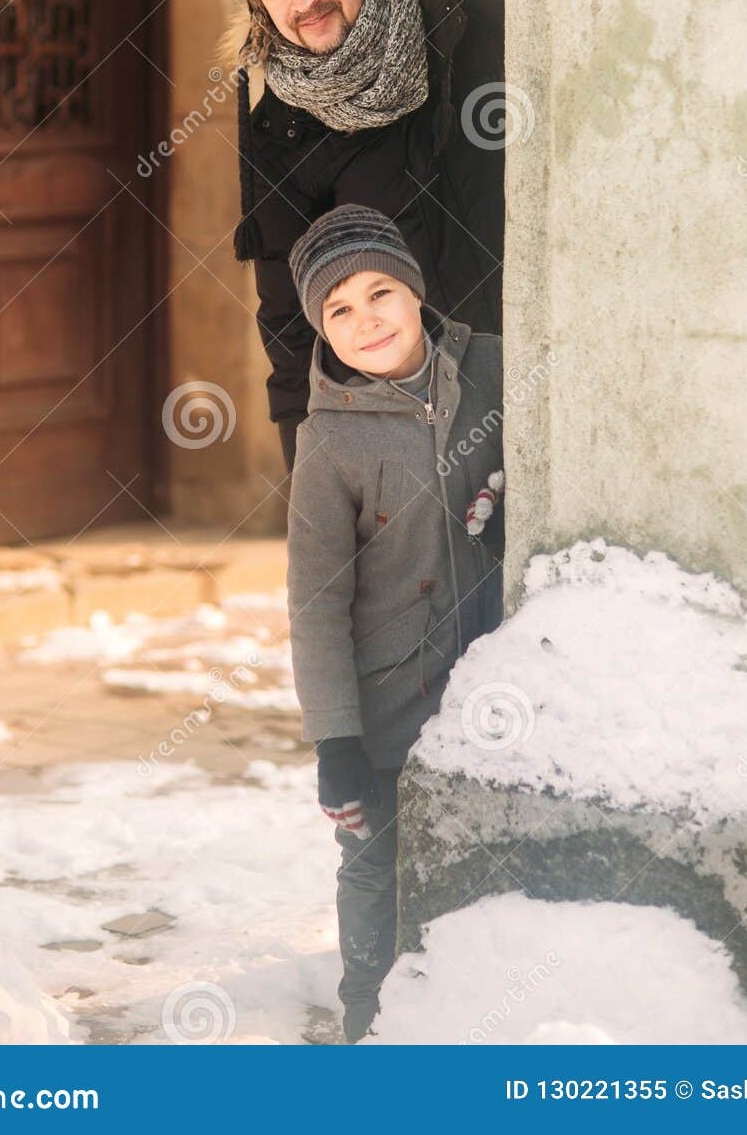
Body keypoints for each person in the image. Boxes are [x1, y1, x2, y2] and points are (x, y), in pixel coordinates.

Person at [284, 203, 505, 1043]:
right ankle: (366, 1030)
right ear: (321, 330)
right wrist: (335, 741)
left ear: (415, 294)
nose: (365, 318)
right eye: (338, 308)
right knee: (377, 863)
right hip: (388, 694)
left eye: (381, 292)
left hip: (496, 669)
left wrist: (517, 520)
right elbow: (315, 604)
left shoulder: (490, 368)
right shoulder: (329, 441)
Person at [217, 0, 504, 473]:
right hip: (413, 426)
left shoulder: (466, 17)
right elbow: (292, 325)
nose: (303, 2)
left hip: (532, 373)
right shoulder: (282, 127)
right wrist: (315, 491)